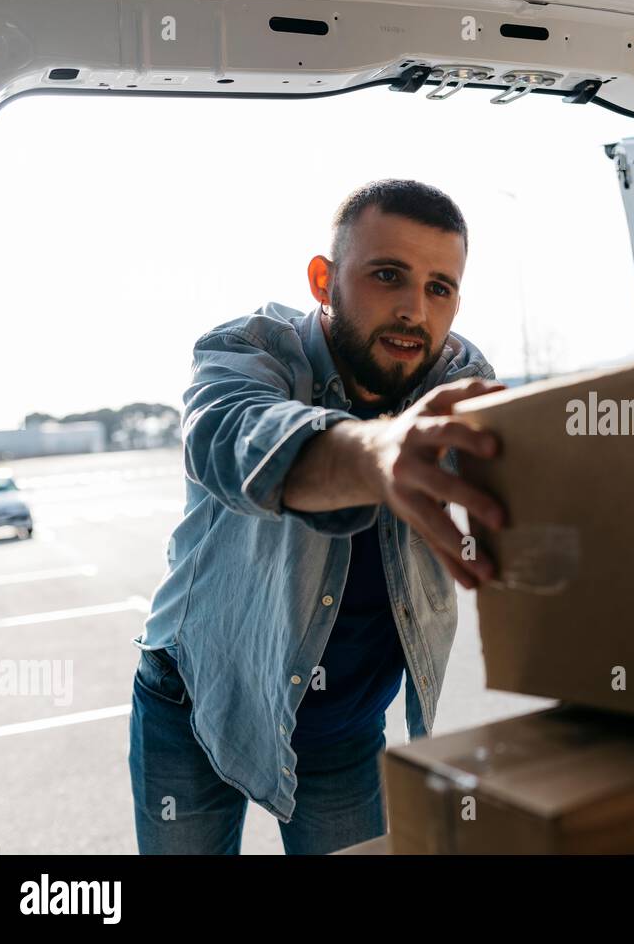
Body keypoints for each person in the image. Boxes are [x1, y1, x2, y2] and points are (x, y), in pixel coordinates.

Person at [127, 178, 506, 854]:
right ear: (324, 279)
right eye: (388, 275)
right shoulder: (250, 347)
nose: (413, 311)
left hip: (342, 724)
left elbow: (535, 466)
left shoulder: (457, 377)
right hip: (195, 702)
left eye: (438, 288)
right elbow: (228, 434)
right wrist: (374, 454)